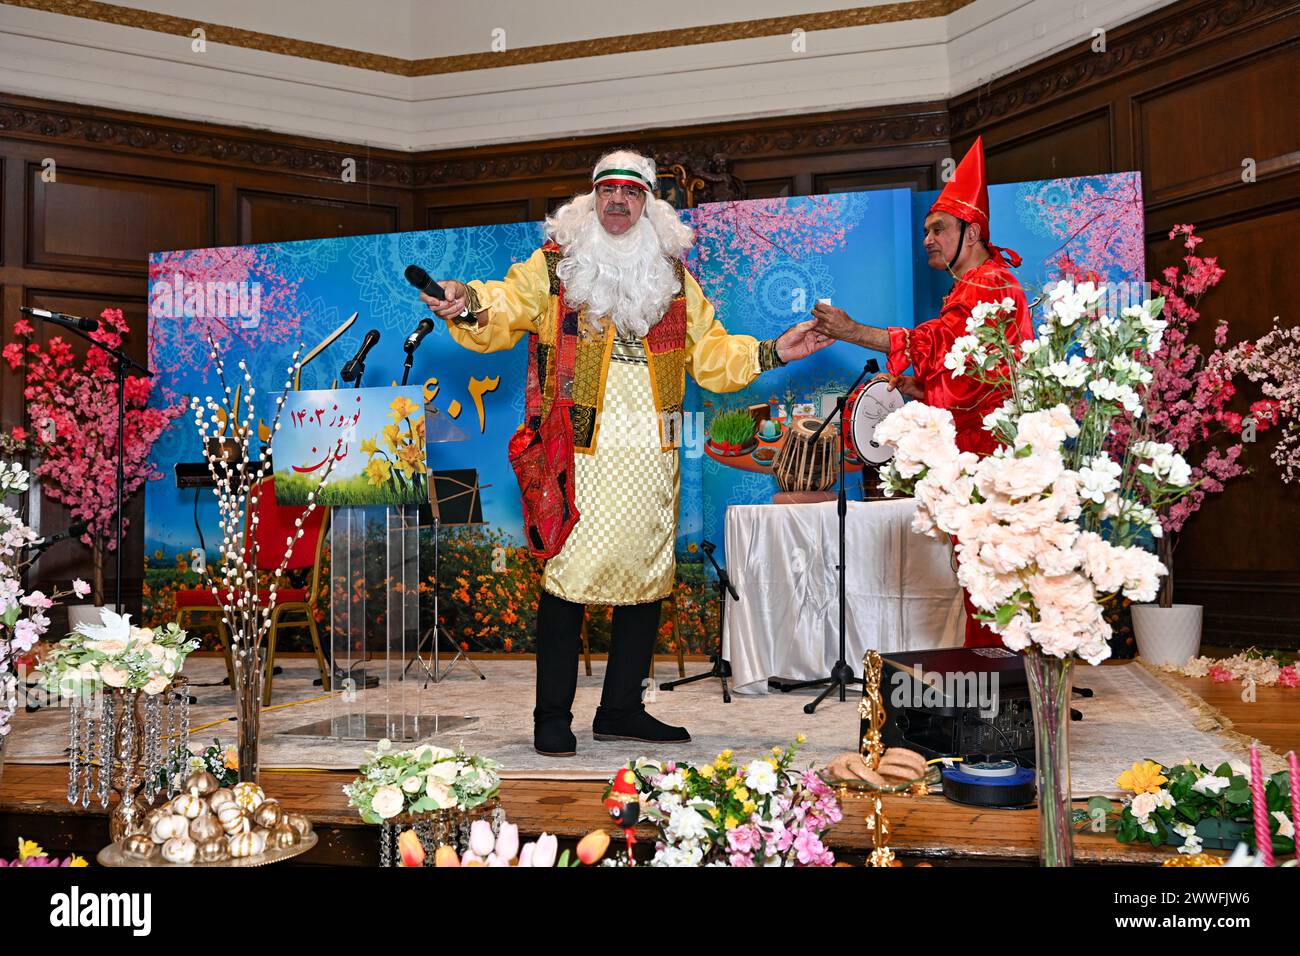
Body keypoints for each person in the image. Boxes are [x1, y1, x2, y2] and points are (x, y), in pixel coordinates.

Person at [422, 150, 829, 756]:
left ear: (648, 203)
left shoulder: (670, 273)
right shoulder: (555, 265)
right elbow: (505, 306)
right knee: (568, 576)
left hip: (651, 453)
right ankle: (551, 716)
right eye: (607, 190)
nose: (618, 201)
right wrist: (468, 300)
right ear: (591, 199)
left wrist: (775, 352)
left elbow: (711, 355)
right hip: (578, 448)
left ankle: (621, 709)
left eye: (630, 192)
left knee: (645, 577)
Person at [810, 137, 1032, 645]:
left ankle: (997, 694)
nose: (927, 239)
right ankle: (997, 689)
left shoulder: (986, 283)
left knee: (989, 579)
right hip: (984, 457)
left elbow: (937, 340)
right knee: (988, 578)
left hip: (987, 462)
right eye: (926, 230)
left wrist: (854, 331)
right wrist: (920, 383)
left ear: (970, 231)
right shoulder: (984, 283)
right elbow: (969, 371)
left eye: (938, 229)